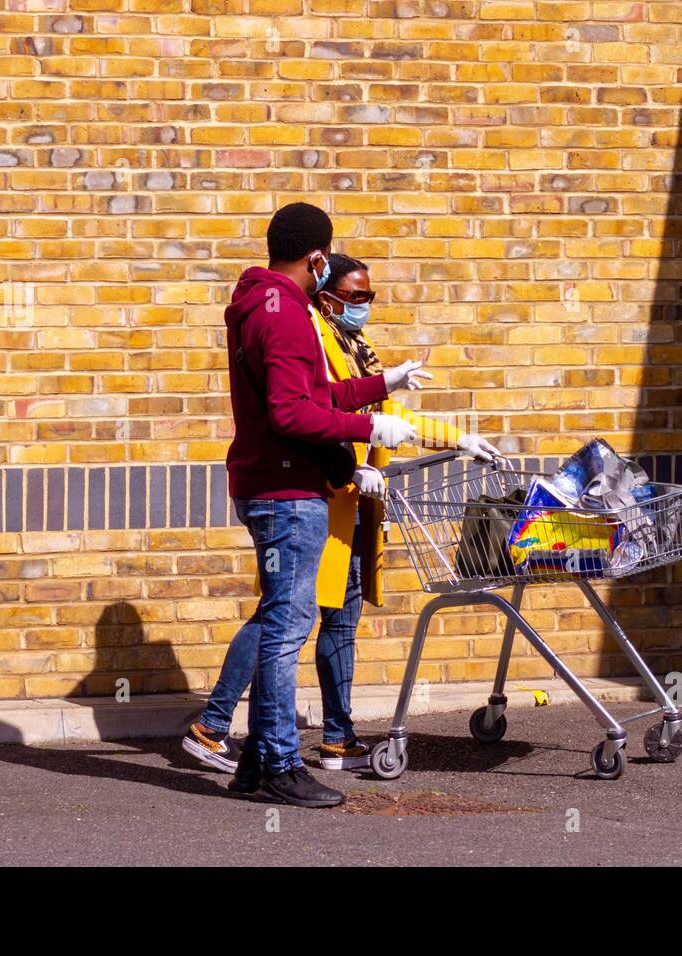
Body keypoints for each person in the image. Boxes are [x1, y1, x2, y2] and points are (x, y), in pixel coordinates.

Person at [183, 253, 501, 782]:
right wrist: (353, 466)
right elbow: (314, 414)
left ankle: (335, 734)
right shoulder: (310, 333)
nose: (365, 307)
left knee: (336, 618)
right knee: (284, 618)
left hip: (347, 504)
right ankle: (219, 728)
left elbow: (380, 415)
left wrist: (456, 436)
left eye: (370, 297)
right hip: (324, 499)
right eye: (356, 297)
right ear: (327, 293)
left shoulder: (355, 347)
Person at [205, 203, 417, 809]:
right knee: (286, 630)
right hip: (288, 491)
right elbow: (292, 413)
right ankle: (278, 762)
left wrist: (382, 385)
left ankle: (252, 762)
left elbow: (313, 391)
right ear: (318, 258)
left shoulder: (260, 302)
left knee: (280, 623)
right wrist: (371, 429)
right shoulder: (288, 314)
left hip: (265, 483)